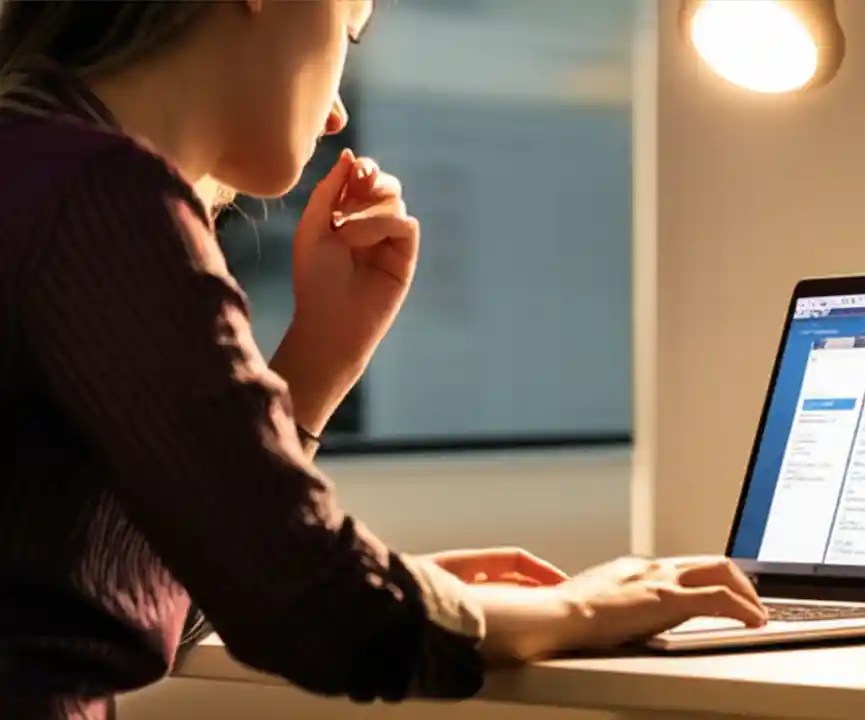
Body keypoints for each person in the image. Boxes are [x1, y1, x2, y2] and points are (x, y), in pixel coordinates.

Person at [0, 2, 768, 718]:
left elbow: (203, 573)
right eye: (351, 31)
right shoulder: (99, 197)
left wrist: (321, 356)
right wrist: (586, 605)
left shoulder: (38, 166)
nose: (337, 110)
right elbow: (305, 603)